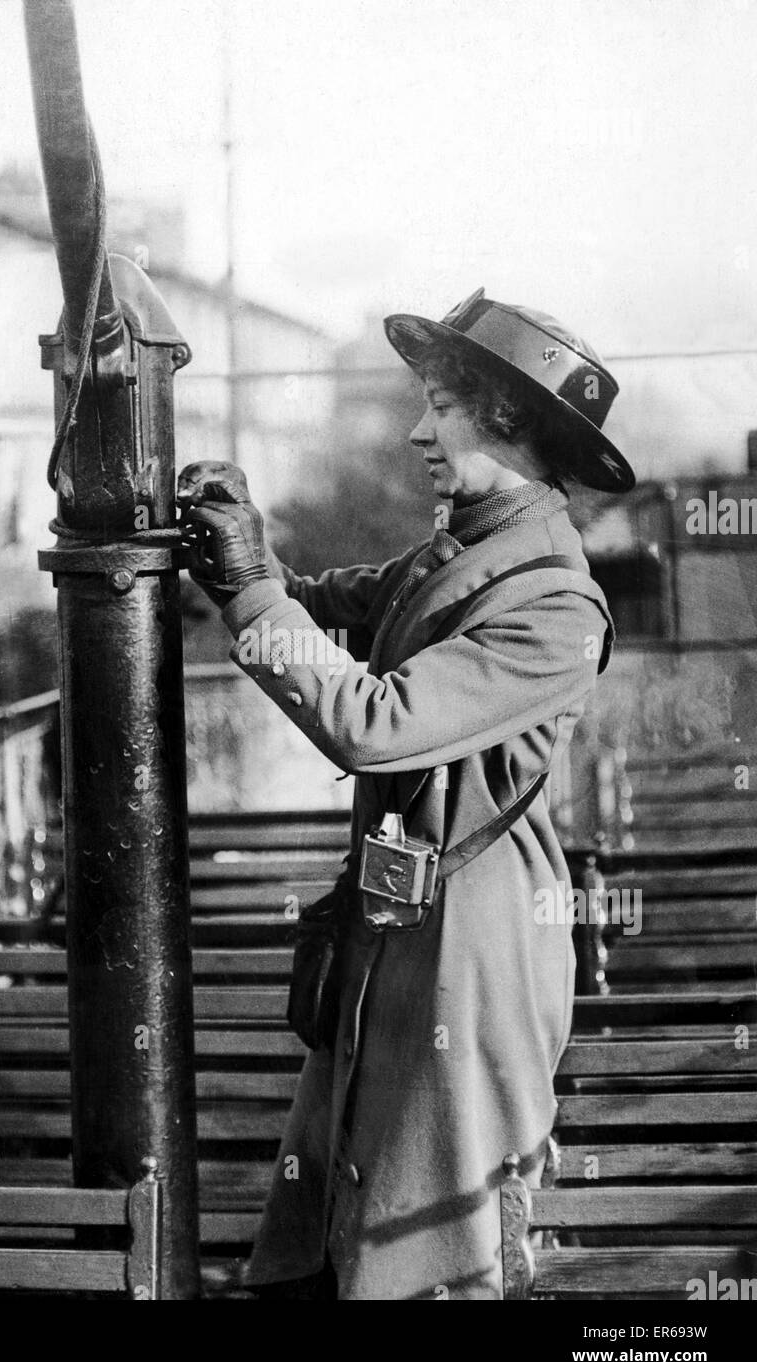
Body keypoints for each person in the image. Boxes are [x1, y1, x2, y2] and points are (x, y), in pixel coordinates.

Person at [177, 287, 634, 1301]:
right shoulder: (458, 552)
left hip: (470, 958)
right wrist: (231, 555)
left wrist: (252, 589)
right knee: (339, 1226)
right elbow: (313, 604)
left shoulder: (553, 602)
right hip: (398, 928)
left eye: (443, 406)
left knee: (436, 1248)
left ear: (511, 425)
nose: (420, 429)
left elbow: (369, 719)